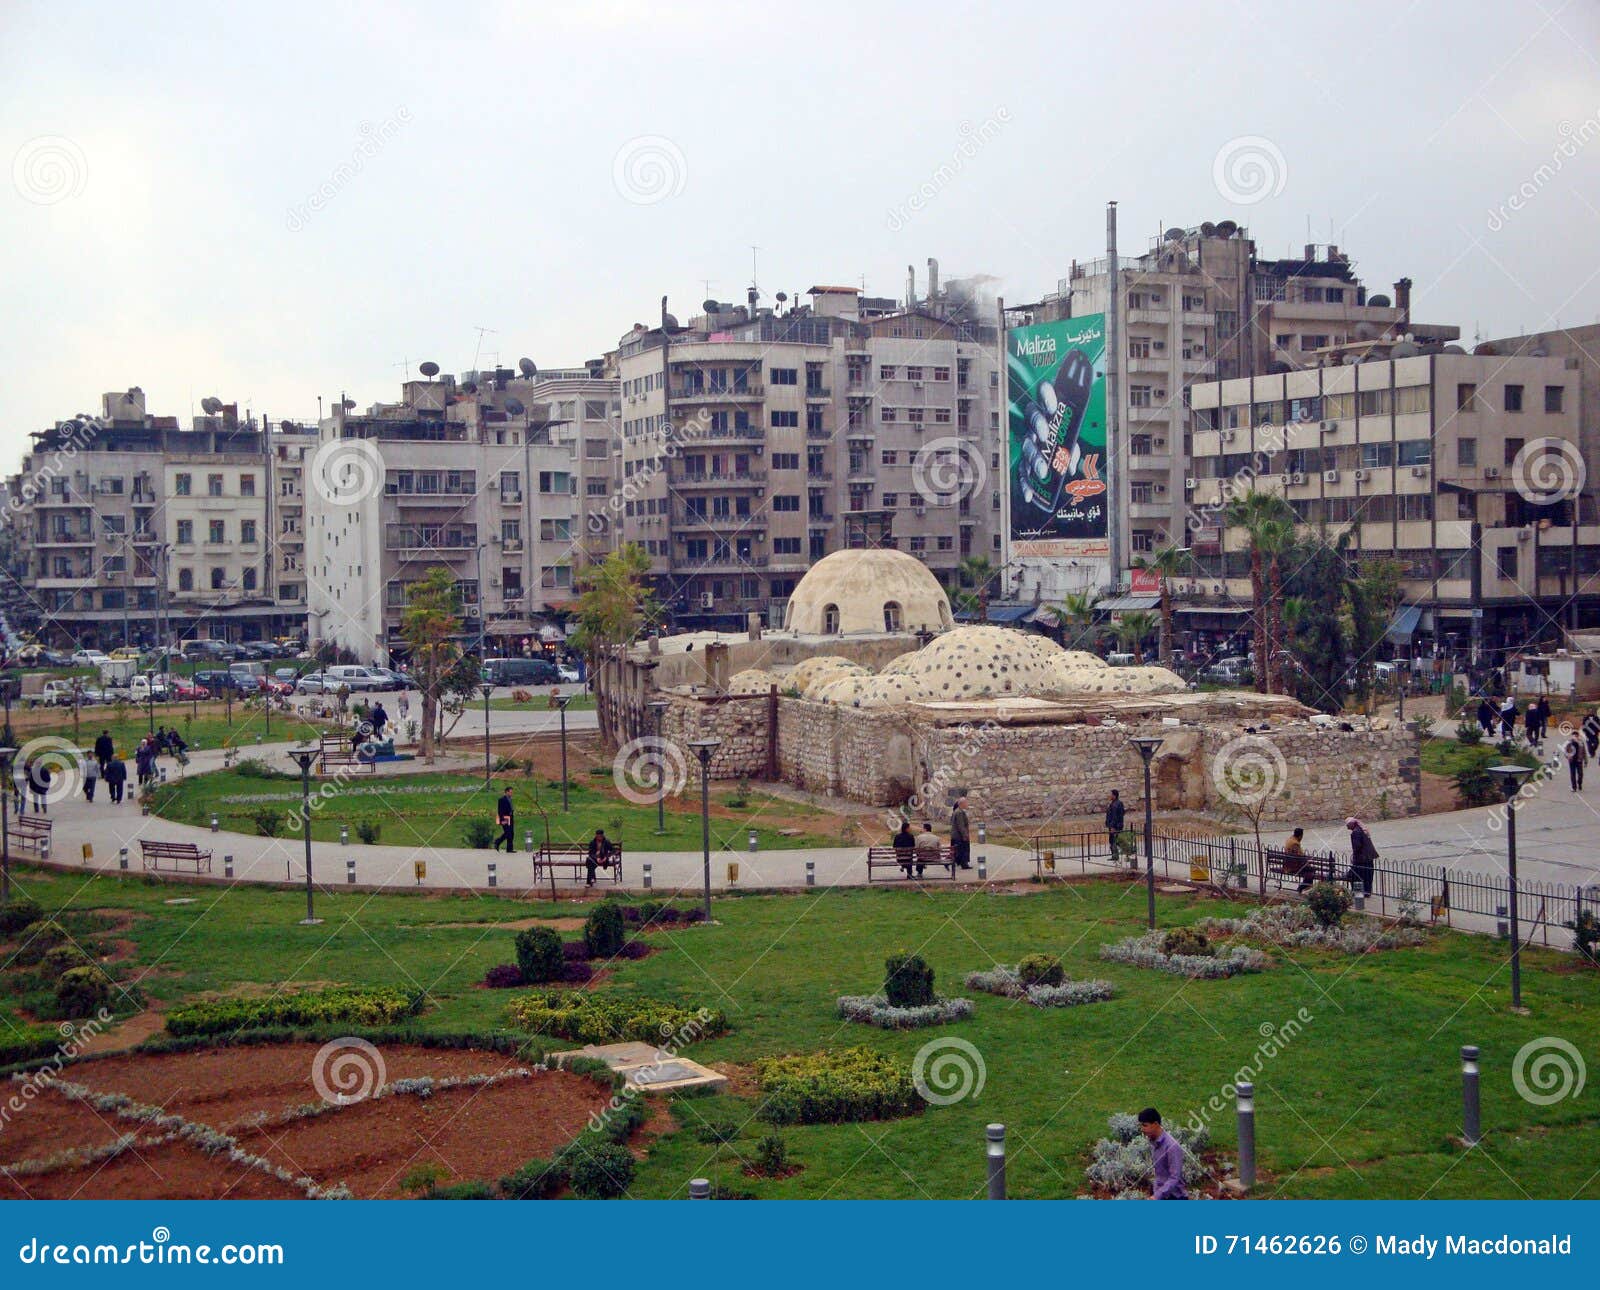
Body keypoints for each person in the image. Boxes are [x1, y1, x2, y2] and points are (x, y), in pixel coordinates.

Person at [1137, 1108, 1187, 1200]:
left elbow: (1175, 1177)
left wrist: (1156, 1196)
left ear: (1155, 1124)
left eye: (1145, 1125)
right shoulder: (1154, 1142)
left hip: (1175, 1197)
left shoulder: (1172, 1146)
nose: (1142, 1129)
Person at [1345, 817, 1378, 897]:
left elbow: (1357, 846)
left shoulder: (1355, 832)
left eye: (1348, 825)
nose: (1347, 828)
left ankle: (1358, 893)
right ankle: (1367, 892)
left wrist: (1354, 857)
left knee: (1355, 875)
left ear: (1352, 824)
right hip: (1368, 857)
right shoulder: (1362, 829)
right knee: (1367, 875)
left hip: (1361, 859)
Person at [1281, 826, 1315, 892]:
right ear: (1300, 836)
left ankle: (1306, 885)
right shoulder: (1295, 843)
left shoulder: (1289, 839)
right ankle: (1303, 886)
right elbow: (1300, 856)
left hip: (1288, 864)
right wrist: (1307, 861)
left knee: (1309, 870)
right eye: (1302, 836)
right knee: (1311, 870)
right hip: (1293, 866)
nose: (1302, 838)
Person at [950, 797, 972, 870]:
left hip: (956, 835)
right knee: (963, 849)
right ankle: (964, 864)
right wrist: (965, 835)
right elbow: (961, 825)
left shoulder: (956, 811)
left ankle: (959, 862)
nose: (967, 804)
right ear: (962, 804)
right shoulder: (959, 812)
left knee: (958, 850)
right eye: (966, 803)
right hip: (959, 836)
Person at [1105, 789, 1126, 860]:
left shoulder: (1116, 804)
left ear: (1114, 795)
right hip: (1116, 825)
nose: (1109, 796)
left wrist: (1112, 826)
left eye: (1111, 794)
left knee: (1115, 840)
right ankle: (1115, 855)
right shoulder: (1115, 803)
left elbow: (1115, 817)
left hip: (1115, 826)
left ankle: (1128, 852)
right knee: (1114, 840)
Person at [493, 784, 515, 852]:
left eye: (512, 792)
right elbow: (500, 810)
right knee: (507, 832)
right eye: (510, 792)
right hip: (504, 818)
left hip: (510, 817)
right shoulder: (501, 799)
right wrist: (502, 819)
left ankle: (509, 849)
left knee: (511, 833)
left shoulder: (510, 799)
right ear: (506, 792)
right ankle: (497, 842)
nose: (511, 793)